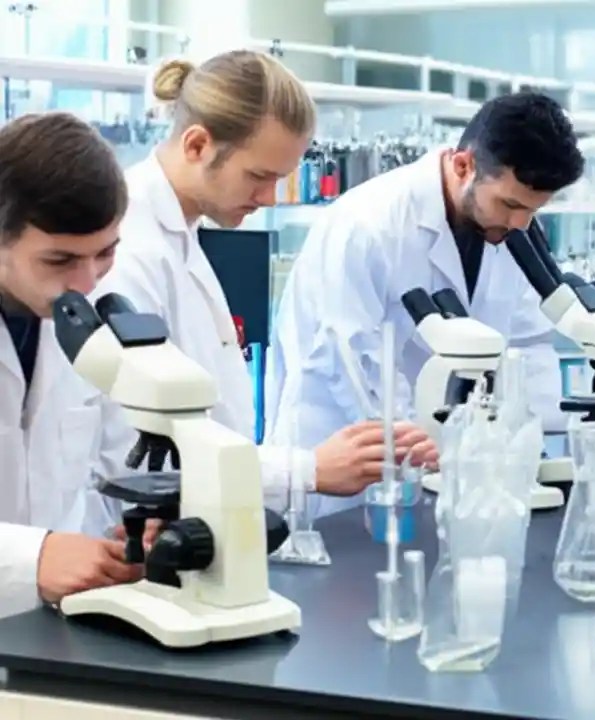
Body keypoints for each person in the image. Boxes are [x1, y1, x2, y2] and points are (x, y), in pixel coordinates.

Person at [95, 50, 433, 518]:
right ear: (196, 145)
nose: (269, 198)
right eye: (258, 176)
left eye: (280, 179)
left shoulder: (182, 232)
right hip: (136, 542)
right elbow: (135, 455)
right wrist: (307, 471)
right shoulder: (131, 248)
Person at [265, 90, 584, 517]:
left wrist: (533, 448)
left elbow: (528, 343)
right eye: (509, 204)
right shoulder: (369, 223)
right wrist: (433, 445)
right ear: (463, 165)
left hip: (445, 470)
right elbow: (351, 361)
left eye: (532, 209)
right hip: (344, 470)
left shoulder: (514, 231)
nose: (519, 223)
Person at [0, 112, 142, 616]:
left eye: (105, 253)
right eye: (60, 261)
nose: (86, 283)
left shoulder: (74, 327)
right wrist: (30, 558)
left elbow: (119, 459)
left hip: (50, 632)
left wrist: (146, 517)